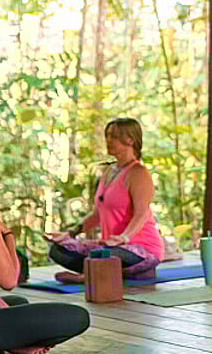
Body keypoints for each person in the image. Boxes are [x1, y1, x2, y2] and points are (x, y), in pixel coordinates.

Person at [0, 143, 89, 354]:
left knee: (19, 304)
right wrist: (8, 236)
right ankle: (2, 343)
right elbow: (10, 281)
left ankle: (11, 343)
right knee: (79, 316)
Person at [46, 118, 164, 282]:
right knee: (58, 250)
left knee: (107, 255)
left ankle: (90, 275)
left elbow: (141, 214)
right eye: (107, 136)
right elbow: (97, 215)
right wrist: (70, 234)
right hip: (109, 247)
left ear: (130, 139)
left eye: (114, 136)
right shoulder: (108, 172)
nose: (108, 140)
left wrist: (123, 238)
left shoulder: (138, 173)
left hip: (141, 248)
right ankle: (101, 271)